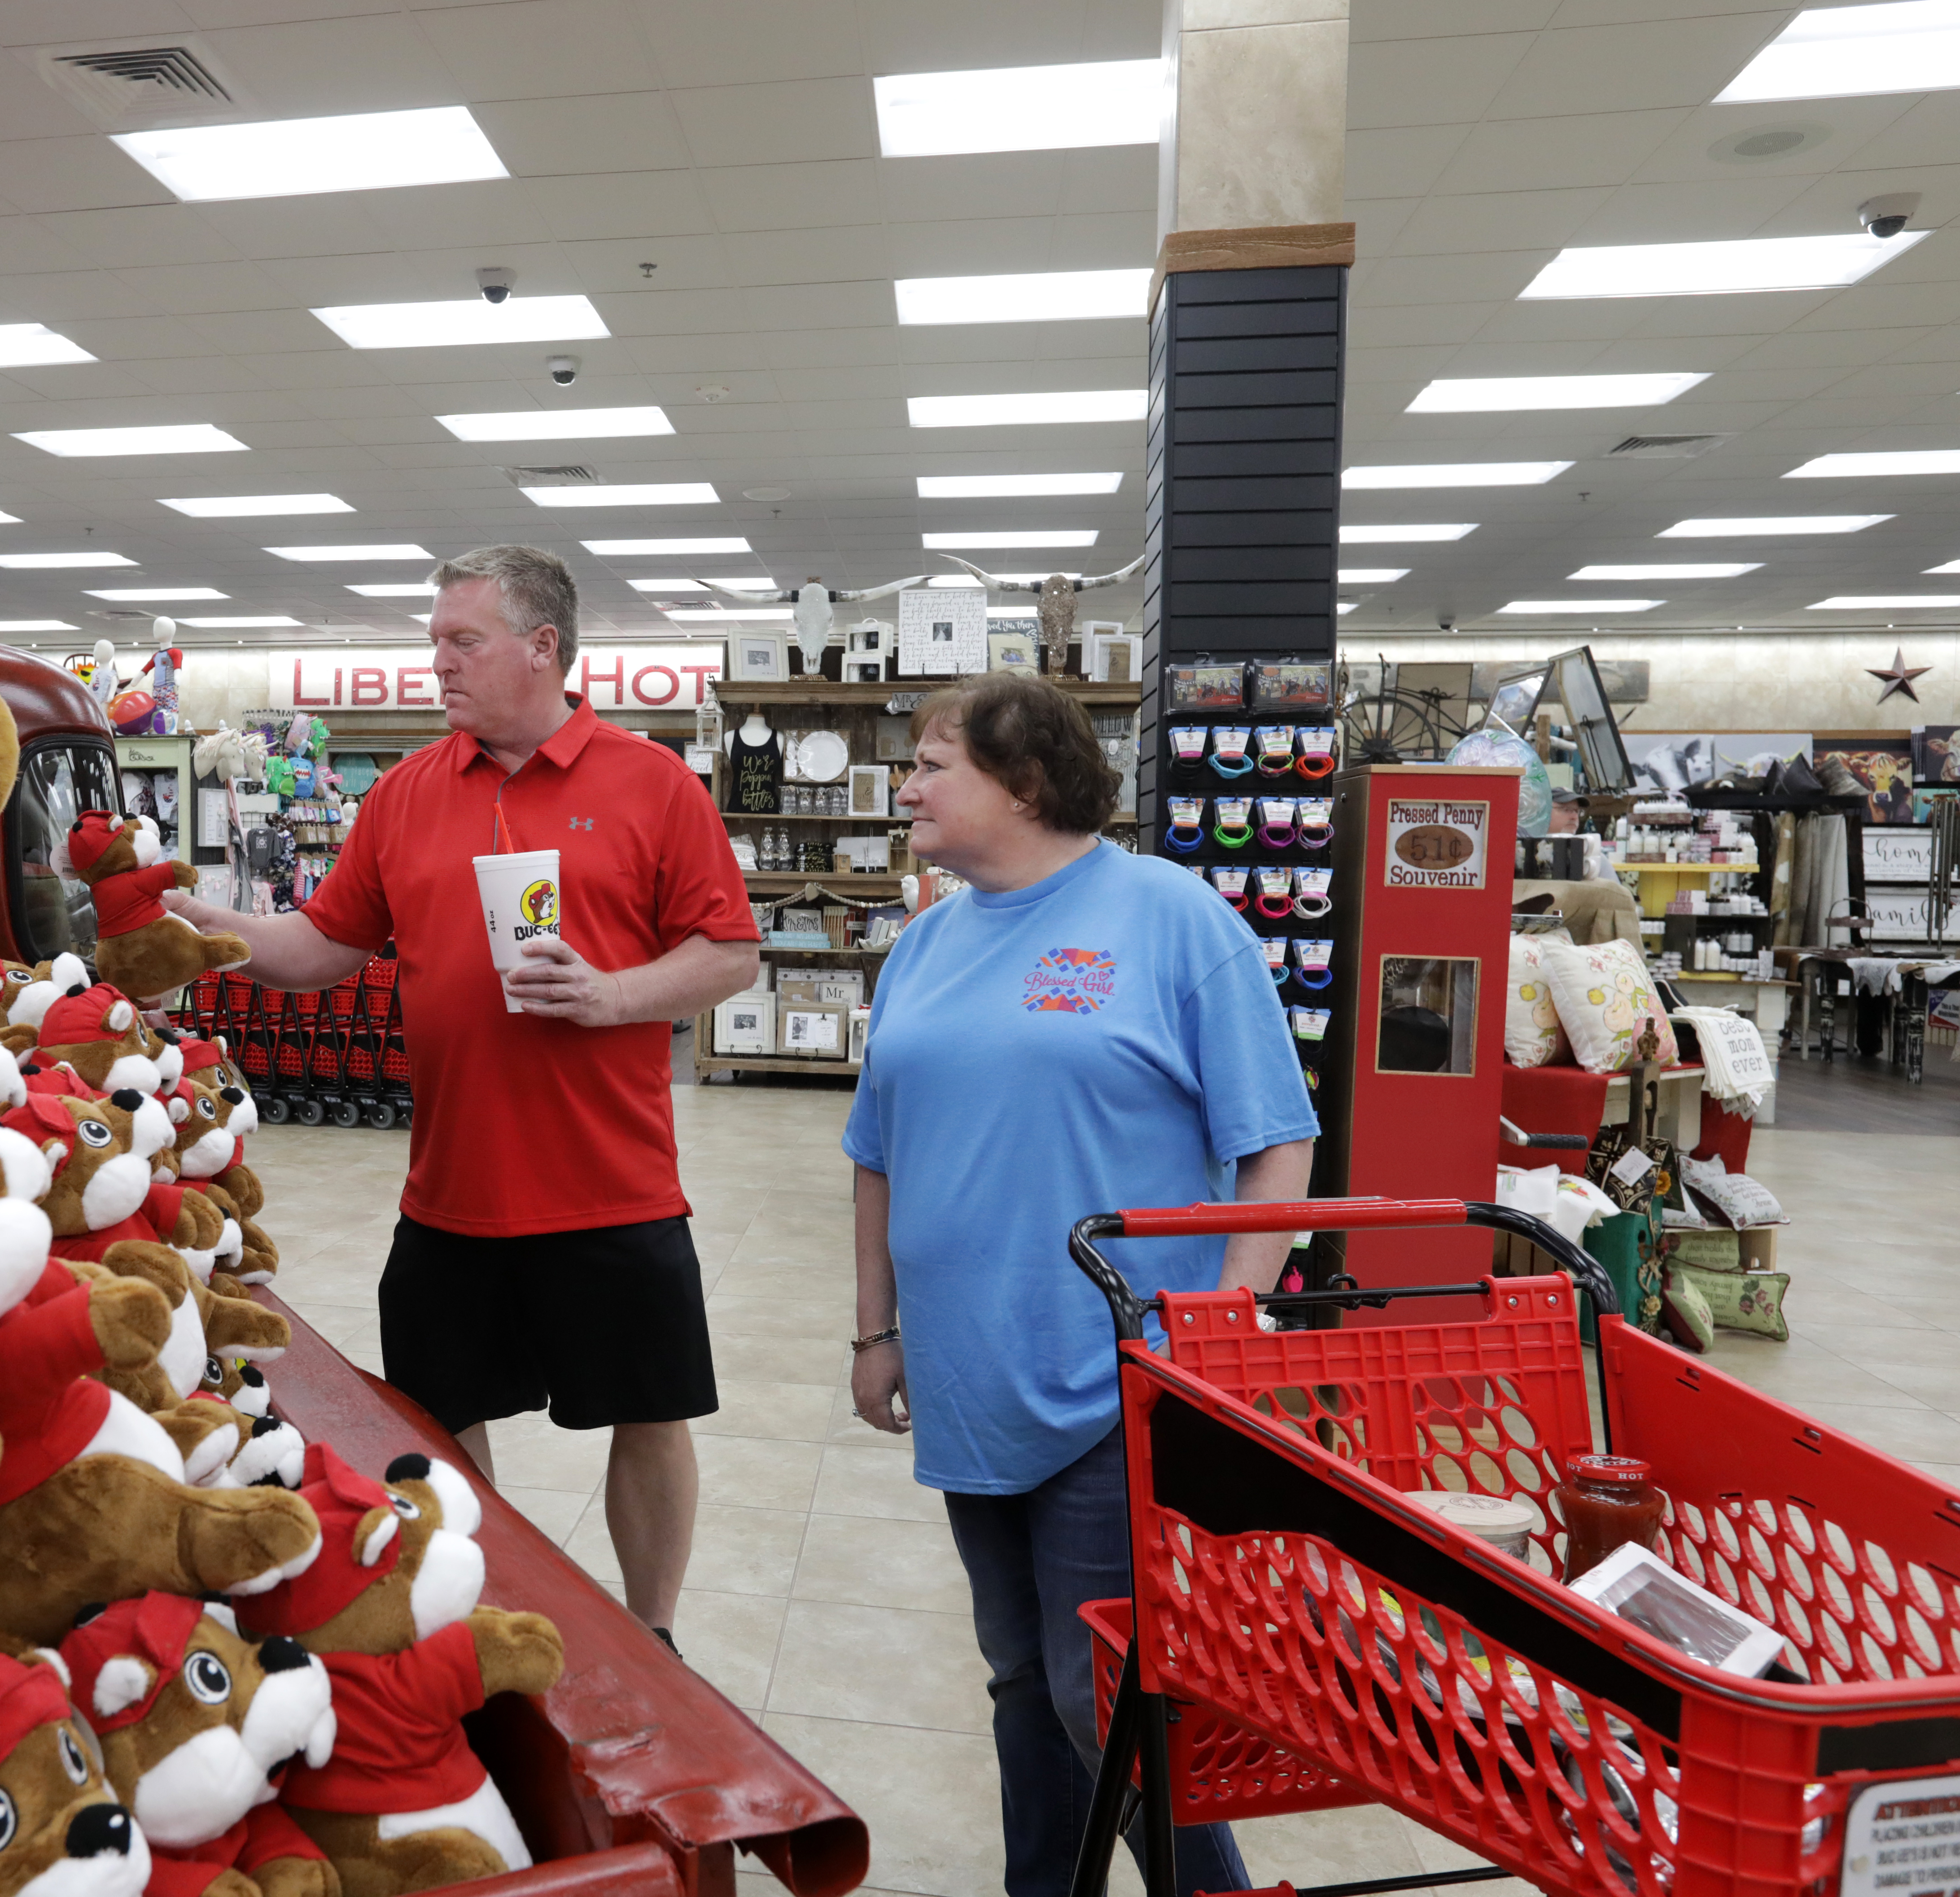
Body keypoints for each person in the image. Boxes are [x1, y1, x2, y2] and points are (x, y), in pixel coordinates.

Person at [160, 544, 761, 1649]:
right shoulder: (406, 792)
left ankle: (655, 1634)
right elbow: (322, 946)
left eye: (462, 640)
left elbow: (729, 953)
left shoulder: (654, 784)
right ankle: (481, 1617)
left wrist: (613, 993)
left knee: (650, 1409)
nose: (437, 662)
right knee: (439, 1423)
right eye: (434, 640)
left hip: (614, 1184)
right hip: (451, 1189)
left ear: (542, 647)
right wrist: (199, 921)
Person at [839, 672, 1316, 1897]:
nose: (906, 788)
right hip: (966, 1368)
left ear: (1025, 781)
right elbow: (876, 1153)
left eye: (932, 763)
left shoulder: (1170, 917)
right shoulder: (924, 944)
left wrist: (1216, 1322)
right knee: (1019, 1673)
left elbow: (1277, 1140)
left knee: (1096, 1684)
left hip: (1121, 1372)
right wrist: (874, 1330)